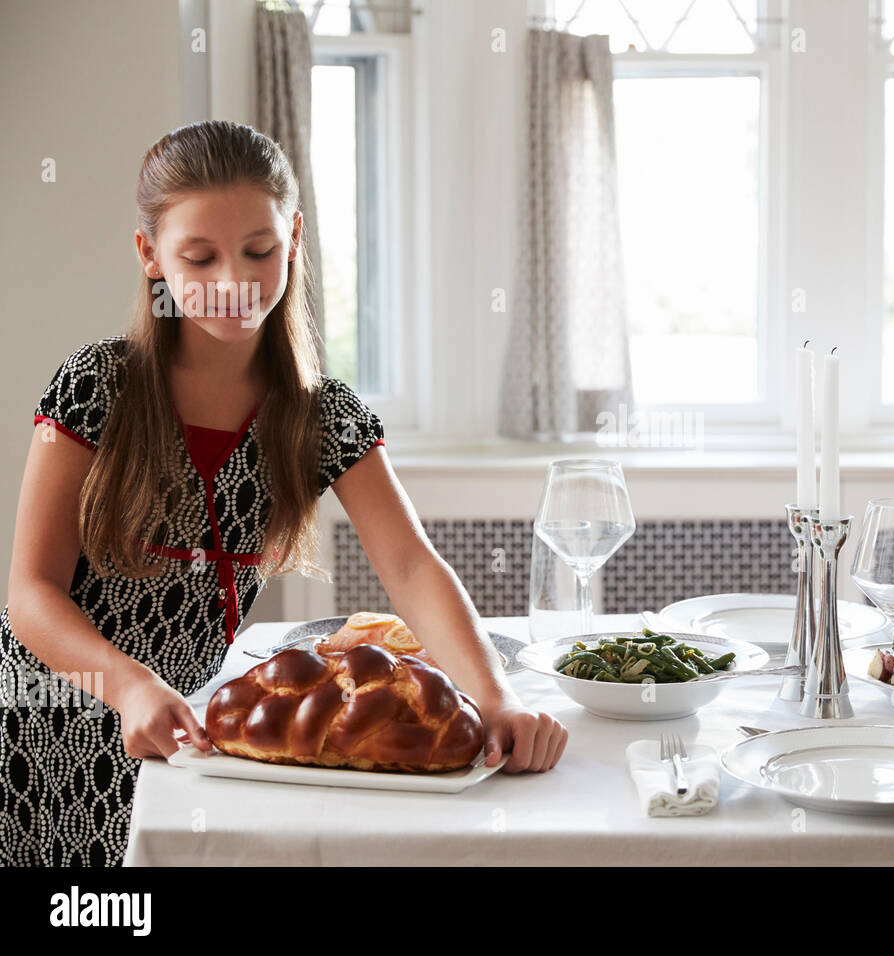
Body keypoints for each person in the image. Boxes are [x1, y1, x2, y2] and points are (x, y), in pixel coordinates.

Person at [1, 120, 566, 867]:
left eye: (258, 251)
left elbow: (411, 569)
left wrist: (496, 700)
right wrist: (131, 688)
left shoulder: (322, 414)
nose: (233, 281)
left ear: (294, 237)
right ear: (150, 257)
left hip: (186, 733)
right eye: (198, 258)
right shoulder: (94, 385)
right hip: (49, 716)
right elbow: (31, 591)